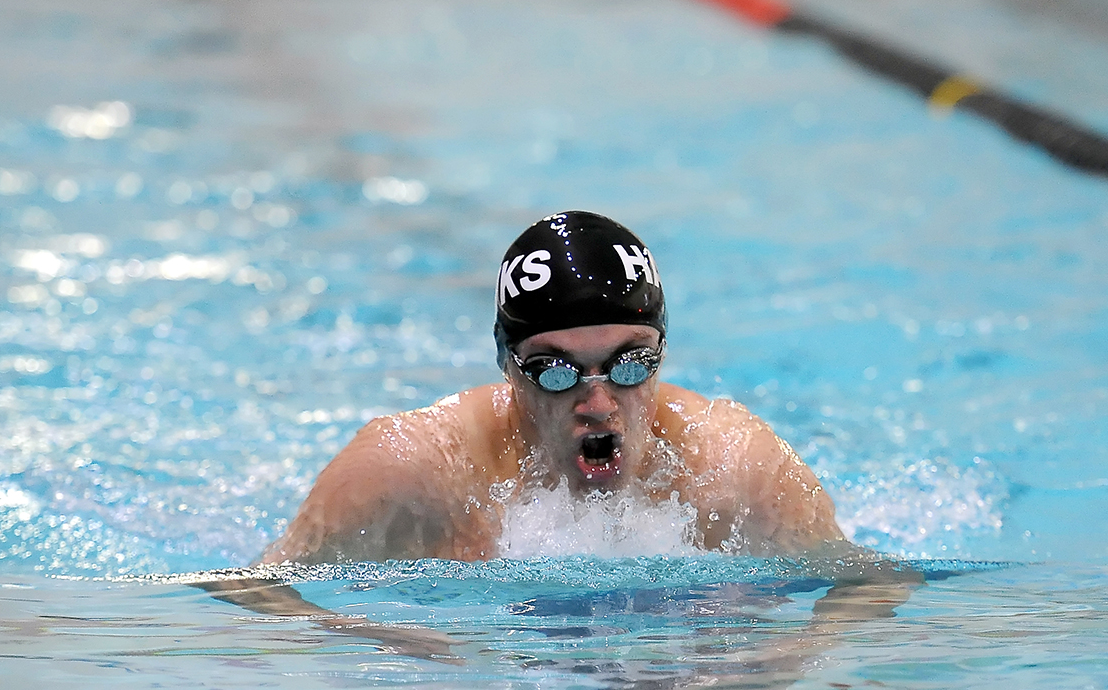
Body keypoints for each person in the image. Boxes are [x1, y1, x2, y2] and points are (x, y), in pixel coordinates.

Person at [206, 211, 912, 639]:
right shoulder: (410, 468)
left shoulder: (736, 467)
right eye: (556, 370)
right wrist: (368, 635)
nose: (598, 403)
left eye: (629, 365)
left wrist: (793, 653)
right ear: (509, 368)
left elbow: (872, 582)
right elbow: (249, 587)